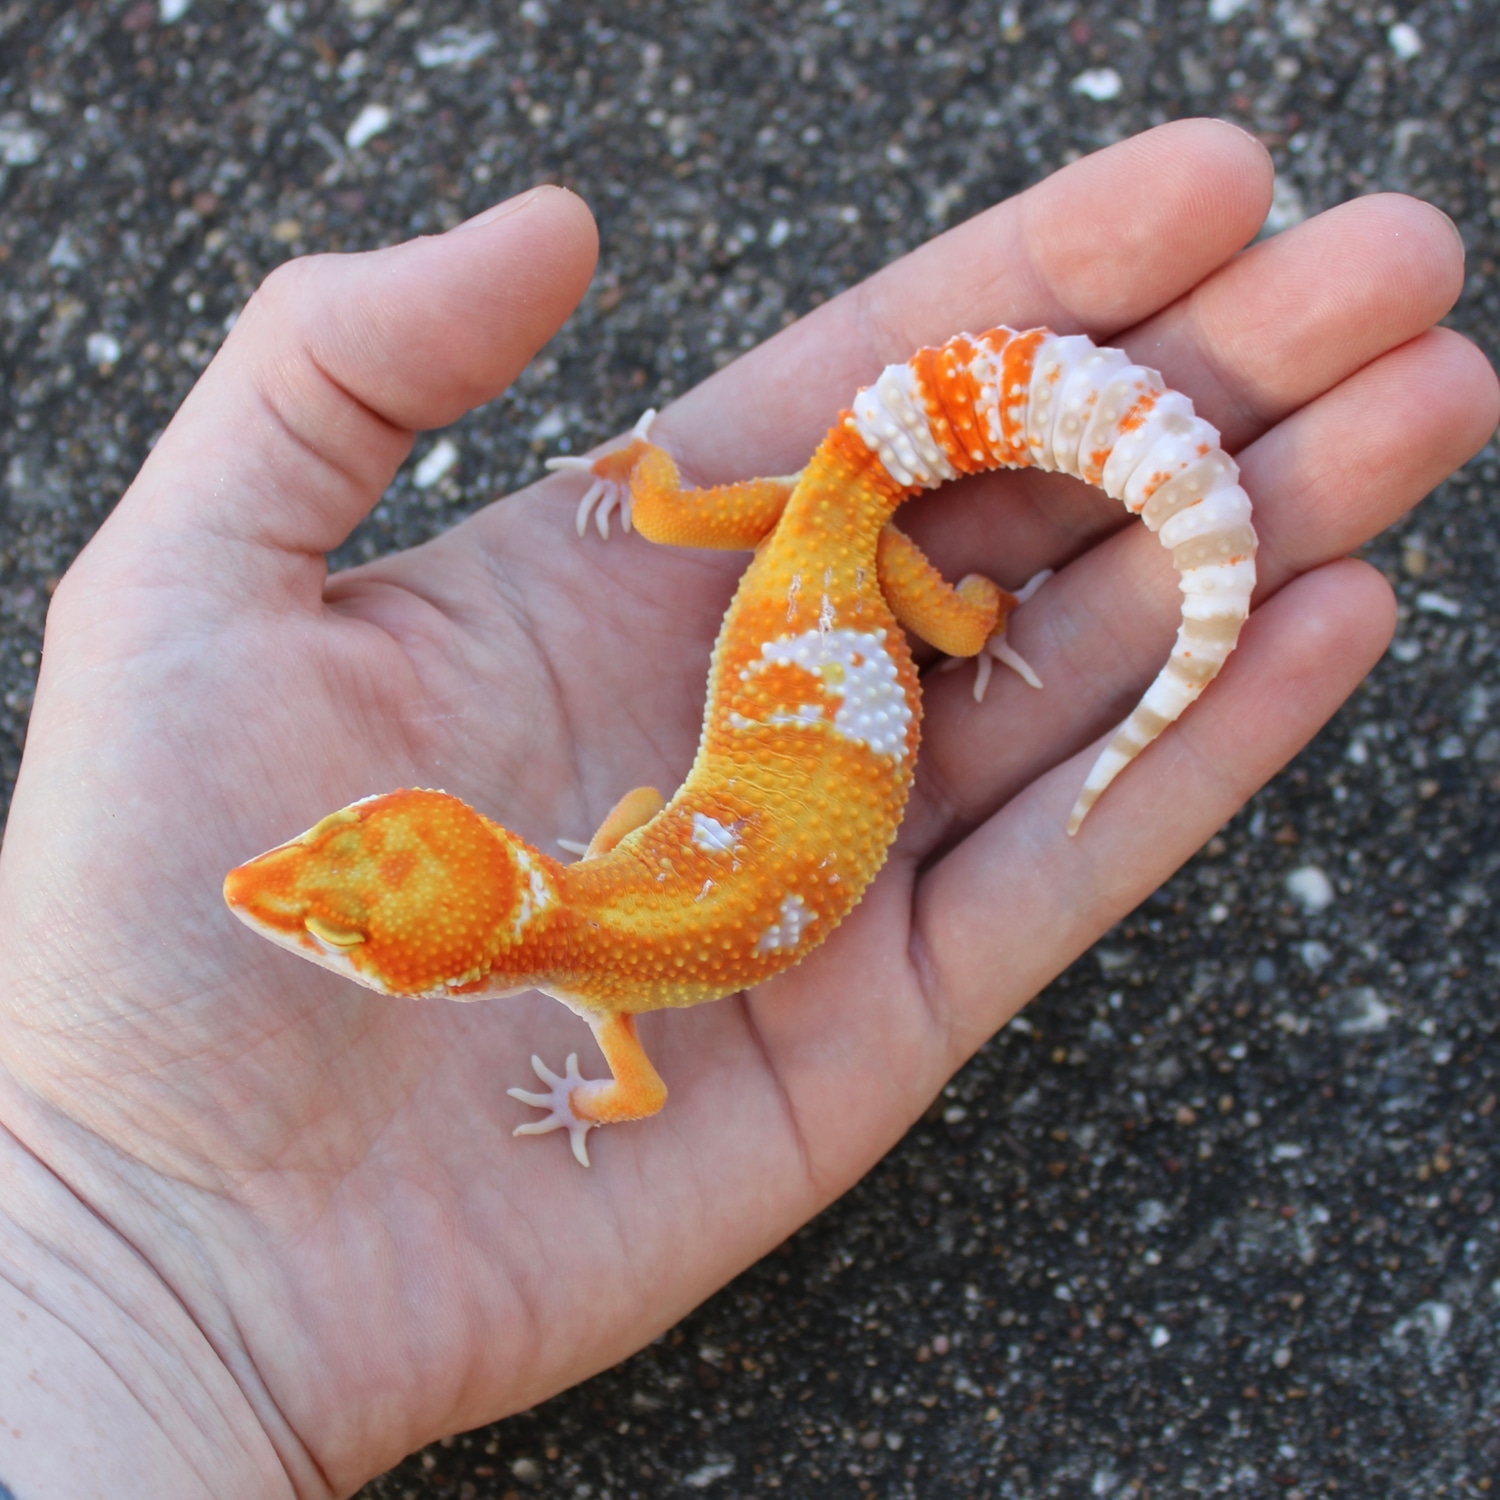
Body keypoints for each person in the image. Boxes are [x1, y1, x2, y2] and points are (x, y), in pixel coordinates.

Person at [0, 119, 1493, 1498]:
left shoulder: (601, 981)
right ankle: (713, 498)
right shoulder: (603, 911)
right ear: (469, 875)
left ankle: (980, 592)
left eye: (332, 876)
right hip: (815, 553)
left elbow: (634, 1081)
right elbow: (654, 819)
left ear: (463, 942)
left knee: (964, 636)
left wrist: (585, 1086)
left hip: (833, 581)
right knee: (916, 611)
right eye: (339, 893)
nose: (278, 884)